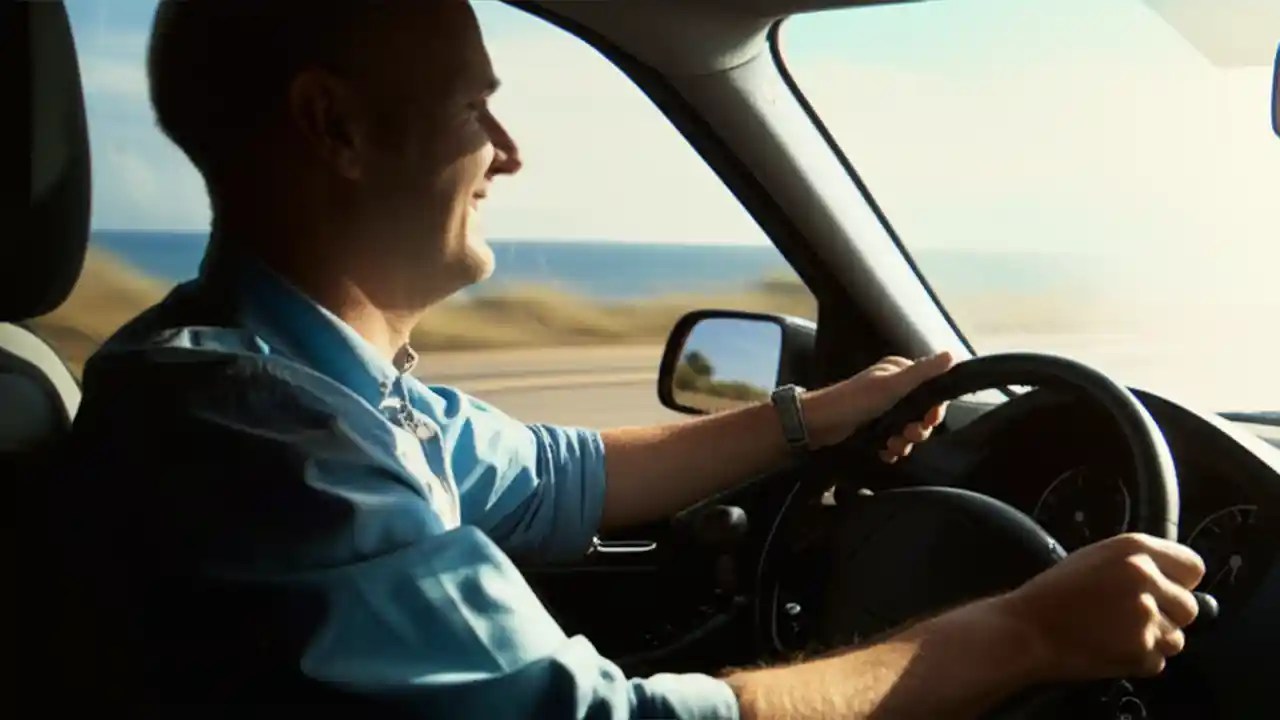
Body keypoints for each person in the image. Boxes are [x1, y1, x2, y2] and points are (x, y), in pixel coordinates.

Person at [61, 1, 1206, 717]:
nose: (508, 152)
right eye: (478, 109)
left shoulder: (321, 386)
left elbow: (564, 475)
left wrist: (817, 419)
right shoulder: (254, 427)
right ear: (335, 128)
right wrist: (1023, 632)